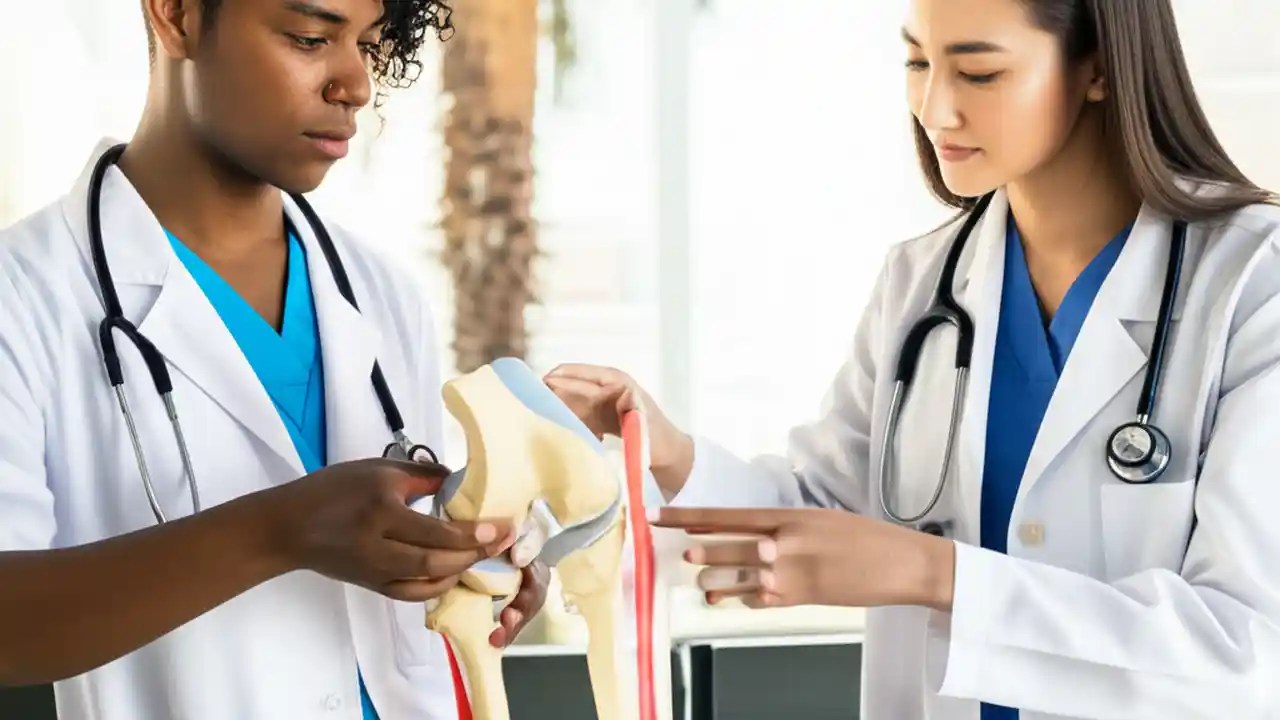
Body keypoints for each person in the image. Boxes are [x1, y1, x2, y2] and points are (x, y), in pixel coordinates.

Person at [546, 0, 1280, 718]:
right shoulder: (923, 283)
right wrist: (667, 451)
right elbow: (828, 514)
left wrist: (936, 575)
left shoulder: (1253, 282)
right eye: (917, 61)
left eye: (979, 74)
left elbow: (1249, 652)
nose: (935, 110)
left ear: (1098, 67)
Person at [0, 1, 547, 718]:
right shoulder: (26, 296)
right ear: (178, 17)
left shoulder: (381, 294)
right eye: (311, 38)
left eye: (368, 44)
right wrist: (277, 531)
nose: (355, 83)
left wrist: (465, 558)